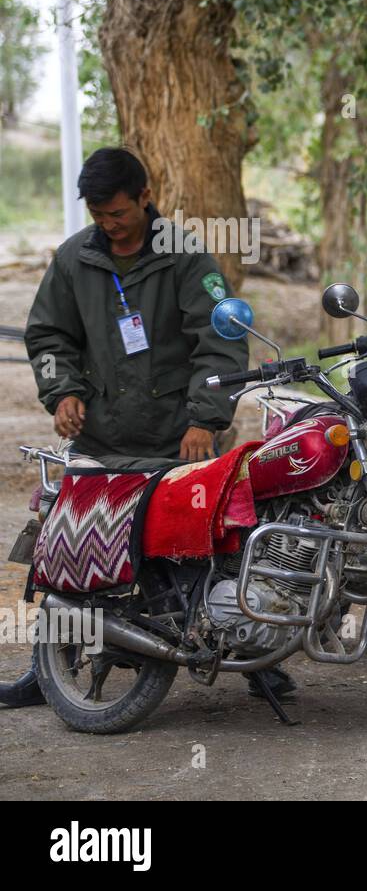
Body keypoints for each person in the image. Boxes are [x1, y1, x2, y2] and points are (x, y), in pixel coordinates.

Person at [9, 147, 294, 703]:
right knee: (68, 542)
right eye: (98, 214)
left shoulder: (185, 257)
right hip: (100, 437)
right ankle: (48, 668)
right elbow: (47, 336)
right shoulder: (73, 259)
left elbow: (220, 341)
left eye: (117, 212)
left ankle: (252, 661)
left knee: (208, 547)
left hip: (179, 439)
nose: (108, 224)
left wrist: (204, 419)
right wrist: (63, 391)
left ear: (145, 197)